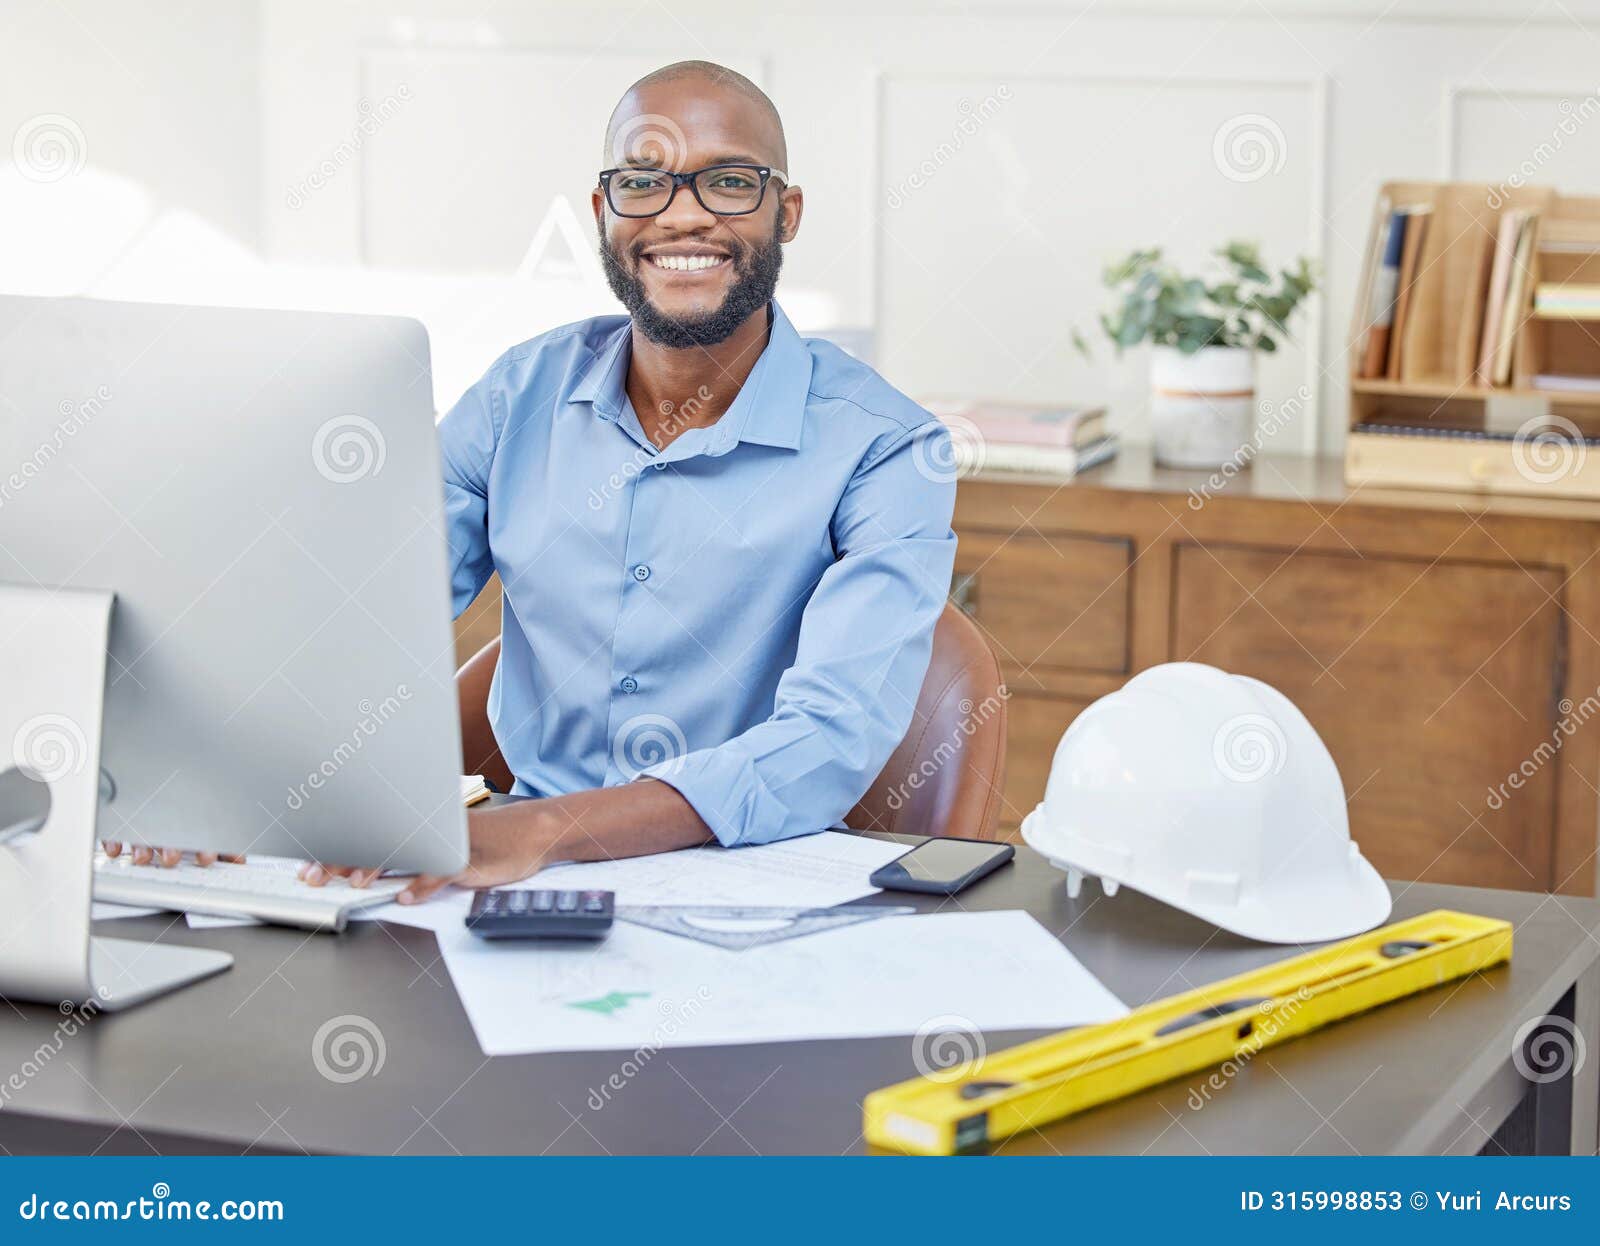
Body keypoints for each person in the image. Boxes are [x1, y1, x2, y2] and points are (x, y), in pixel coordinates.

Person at [111, 60, 957, 902]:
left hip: (750, 883)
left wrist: (550, 830)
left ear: (788, 212)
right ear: (603, 213)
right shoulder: (521, 393)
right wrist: (203, 780)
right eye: (643, 181)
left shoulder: (889, 446)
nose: (684, 214)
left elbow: (826, 743)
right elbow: (352, 613)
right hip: (507, 882)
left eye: (730, 182)